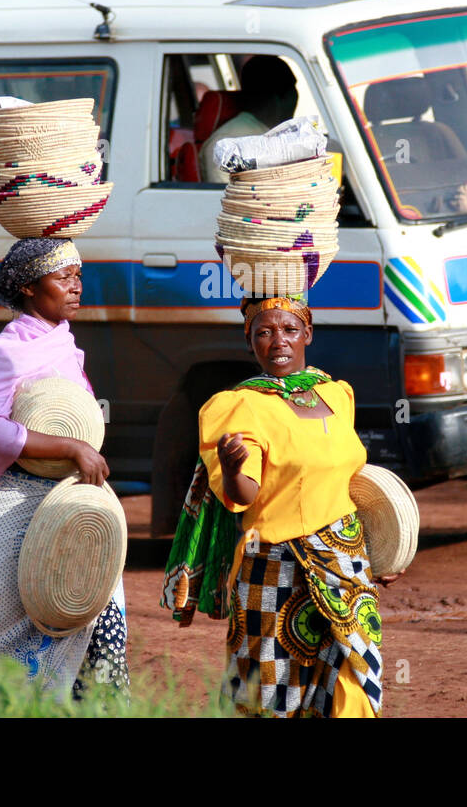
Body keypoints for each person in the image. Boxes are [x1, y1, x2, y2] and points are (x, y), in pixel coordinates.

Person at [173, 294, 388, 717]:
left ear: (308, 333)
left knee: (355, 679)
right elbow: (244, 495)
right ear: (249, 340)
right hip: (273, 570)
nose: (278, 342)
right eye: (264, 332)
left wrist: (382, 552)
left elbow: (351, 484)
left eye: (289, 330)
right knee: (273, 697)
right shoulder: (241, 406)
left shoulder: (335, 394)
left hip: (348, 567)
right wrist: (234, 470)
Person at [0, 237, 128, 700]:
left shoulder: (61, 343)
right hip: (15, 506)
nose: (76, 286)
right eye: (63, 277)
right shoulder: (6, 353)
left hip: (72, 504)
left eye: (78, 276)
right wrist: (70, 446)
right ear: (28, 287)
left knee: (90, 618)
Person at [199, 55, 299, 182]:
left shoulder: (275, 135)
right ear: (278, 97)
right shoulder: (227, 144)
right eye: (292, 91)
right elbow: (226, 197)